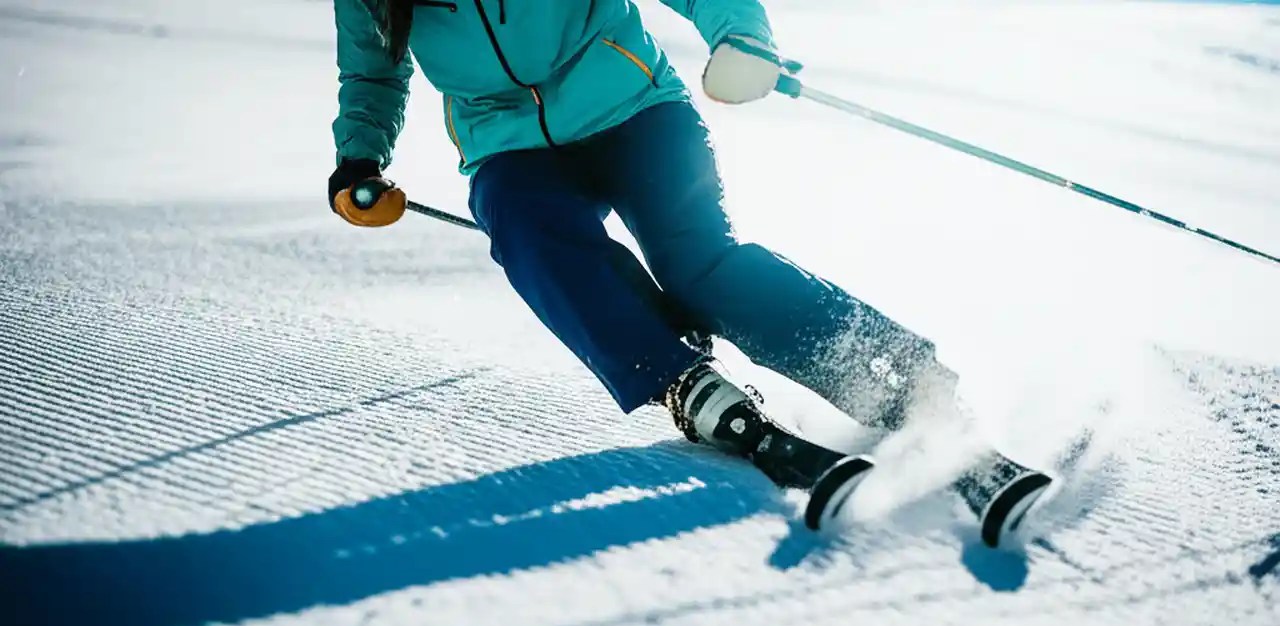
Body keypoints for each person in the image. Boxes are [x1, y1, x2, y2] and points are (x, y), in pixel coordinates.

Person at [326, 0, 956, 463]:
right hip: (509, 142)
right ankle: (678, 377)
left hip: (634, 107)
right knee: (523, 224)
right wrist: (360, 159)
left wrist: (741, 36)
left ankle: (891, 369)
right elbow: (373, 73)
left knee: (698, 268)